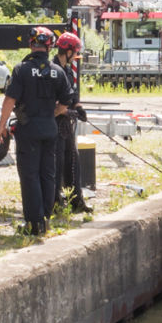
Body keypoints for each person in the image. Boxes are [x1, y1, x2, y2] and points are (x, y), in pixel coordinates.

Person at [0, 26, 72, 236]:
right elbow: (65, 105)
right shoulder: (58, 72)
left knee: (30, 176)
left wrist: (1, 125)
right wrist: (48, 115)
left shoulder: (21, 69)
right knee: (48, 174)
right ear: (49, 47)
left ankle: (33, 223)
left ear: (31, 44)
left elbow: (10, 99)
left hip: (28, 130)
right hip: (50, 129)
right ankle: (45, 220)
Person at [52, 31, 92, 213]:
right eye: (74, 53)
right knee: (57, 162)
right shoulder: (53, 69)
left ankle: (77, 200)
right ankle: (55, 201)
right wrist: (68, 110)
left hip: (66, 124)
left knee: (73, 161)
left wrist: (79, 107)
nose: (75, 57)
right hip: (55, 123)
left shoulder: (67, 70)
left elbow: (72, 94)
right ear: (67, 51)